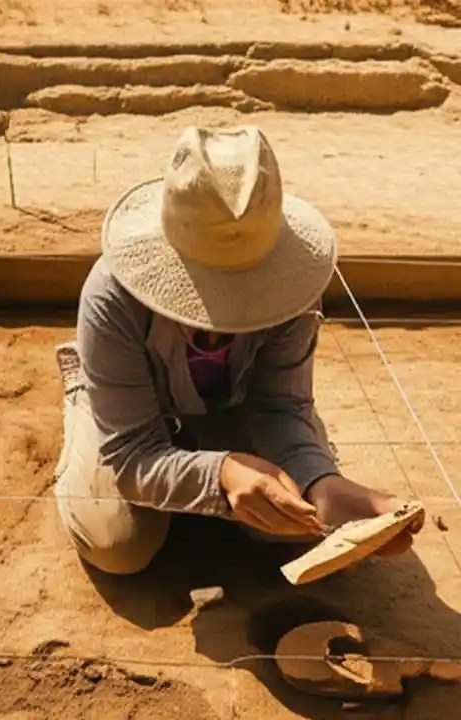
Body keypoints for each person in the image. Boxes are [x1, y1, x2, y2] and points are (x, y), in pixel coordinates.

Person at [52, 124, 424, 576]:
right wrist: (223, 473)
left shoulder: (293, 290)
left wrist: (324, 488)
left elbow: (281, 408)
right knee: (119, 544)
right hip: (132, 412)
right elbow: (132, 453)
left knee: (287, 523)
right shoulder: (113, 296)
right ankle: (83, 392)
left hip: (231, 403)